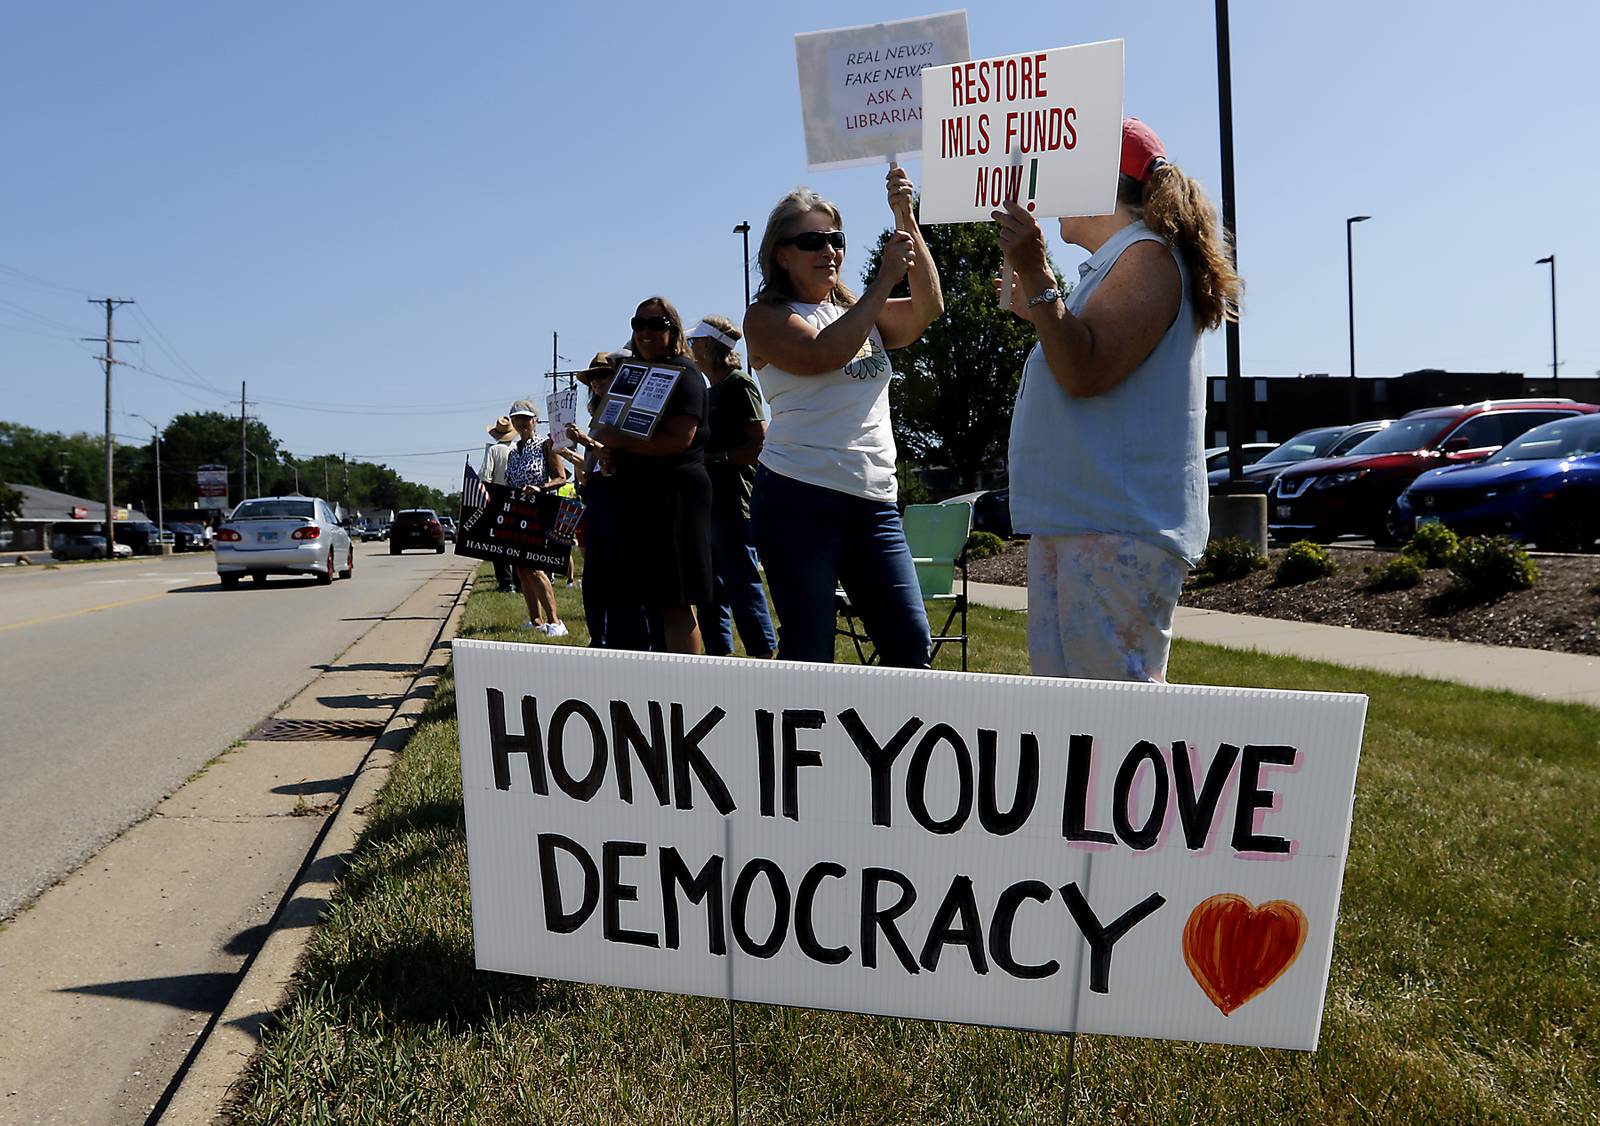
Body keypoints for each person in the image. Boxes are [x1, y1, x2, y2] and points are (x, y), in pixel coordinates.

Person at [993, 117, 1243, 683]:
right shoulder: (1120, 261)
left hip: (1115, 526)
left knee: (1112, 714)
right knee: (1075, 715)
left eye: (1058, 173)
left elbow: (1084, 370)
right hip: (1088, 518)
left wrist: (1037, 272)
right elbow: (1054, 330)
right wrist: (1033, 282)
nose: (1045, 192)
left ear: (1100, 182)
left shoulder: (1148, 257)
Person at [742, 166, 944, 666]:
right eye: (813, 241)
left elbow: (928, 307)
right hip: (798, 497)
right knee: (811, 651)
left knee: (910, 647)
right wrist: (883, 280)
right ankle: (803, 722)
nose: (829, 250)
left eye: (836, 239)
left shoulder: (857, 311)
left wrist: (905, 216)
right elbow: (821, 354)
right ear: (781, 254)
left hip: (873, 502)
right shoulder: (765, 316)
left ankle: (879, 724)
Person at [592, 297, 713, 654]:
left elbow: (679, 440)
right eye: (638, 324)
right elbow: (626, 433)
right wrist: (612, 455)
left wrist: (617, 441)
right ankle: (662, 679)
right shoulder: (636, 374)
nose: (645, 332)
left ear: (673, 330)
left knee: (676, 601)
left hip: (675, 498)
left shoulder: (685, 374)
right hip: (640, 497)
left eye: (656, 325)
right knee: (655, 601)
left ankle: (687, 682)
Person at [687, 315, 776, 659]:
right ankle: (718, 657)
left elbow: (759, 444)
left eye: (695, 342)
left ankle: (762, 654)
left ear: (709, 346)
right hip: (710, 504)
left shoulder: (740, 385)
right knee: (709, 589)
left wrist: (716, 458)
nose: (690, 347)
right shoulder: (710, 391)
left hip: (734, 502)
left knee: (741, 584)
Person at [505, 398, 569, 638]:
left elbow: (561, 477)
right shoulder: (513, 451)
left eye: (525, 418)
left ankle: (555, 621)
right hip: (518, 512)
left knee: (535, 566)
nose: (521, 423)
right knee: (521, 567)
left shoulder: (546, 445)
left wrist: (540, 488)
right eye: (517, 418)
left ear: (535, 420)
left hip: (540, 512)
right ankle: (536, 620)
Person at [480, 414, 518, 592]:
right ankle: (519, 581)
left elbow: (485, 476)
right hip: (518, 499)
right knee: (517, 542)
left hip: (498, 498)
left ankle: (505, 582)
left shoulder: (494, 451)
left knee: (498, 543)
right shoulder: (519, 448)